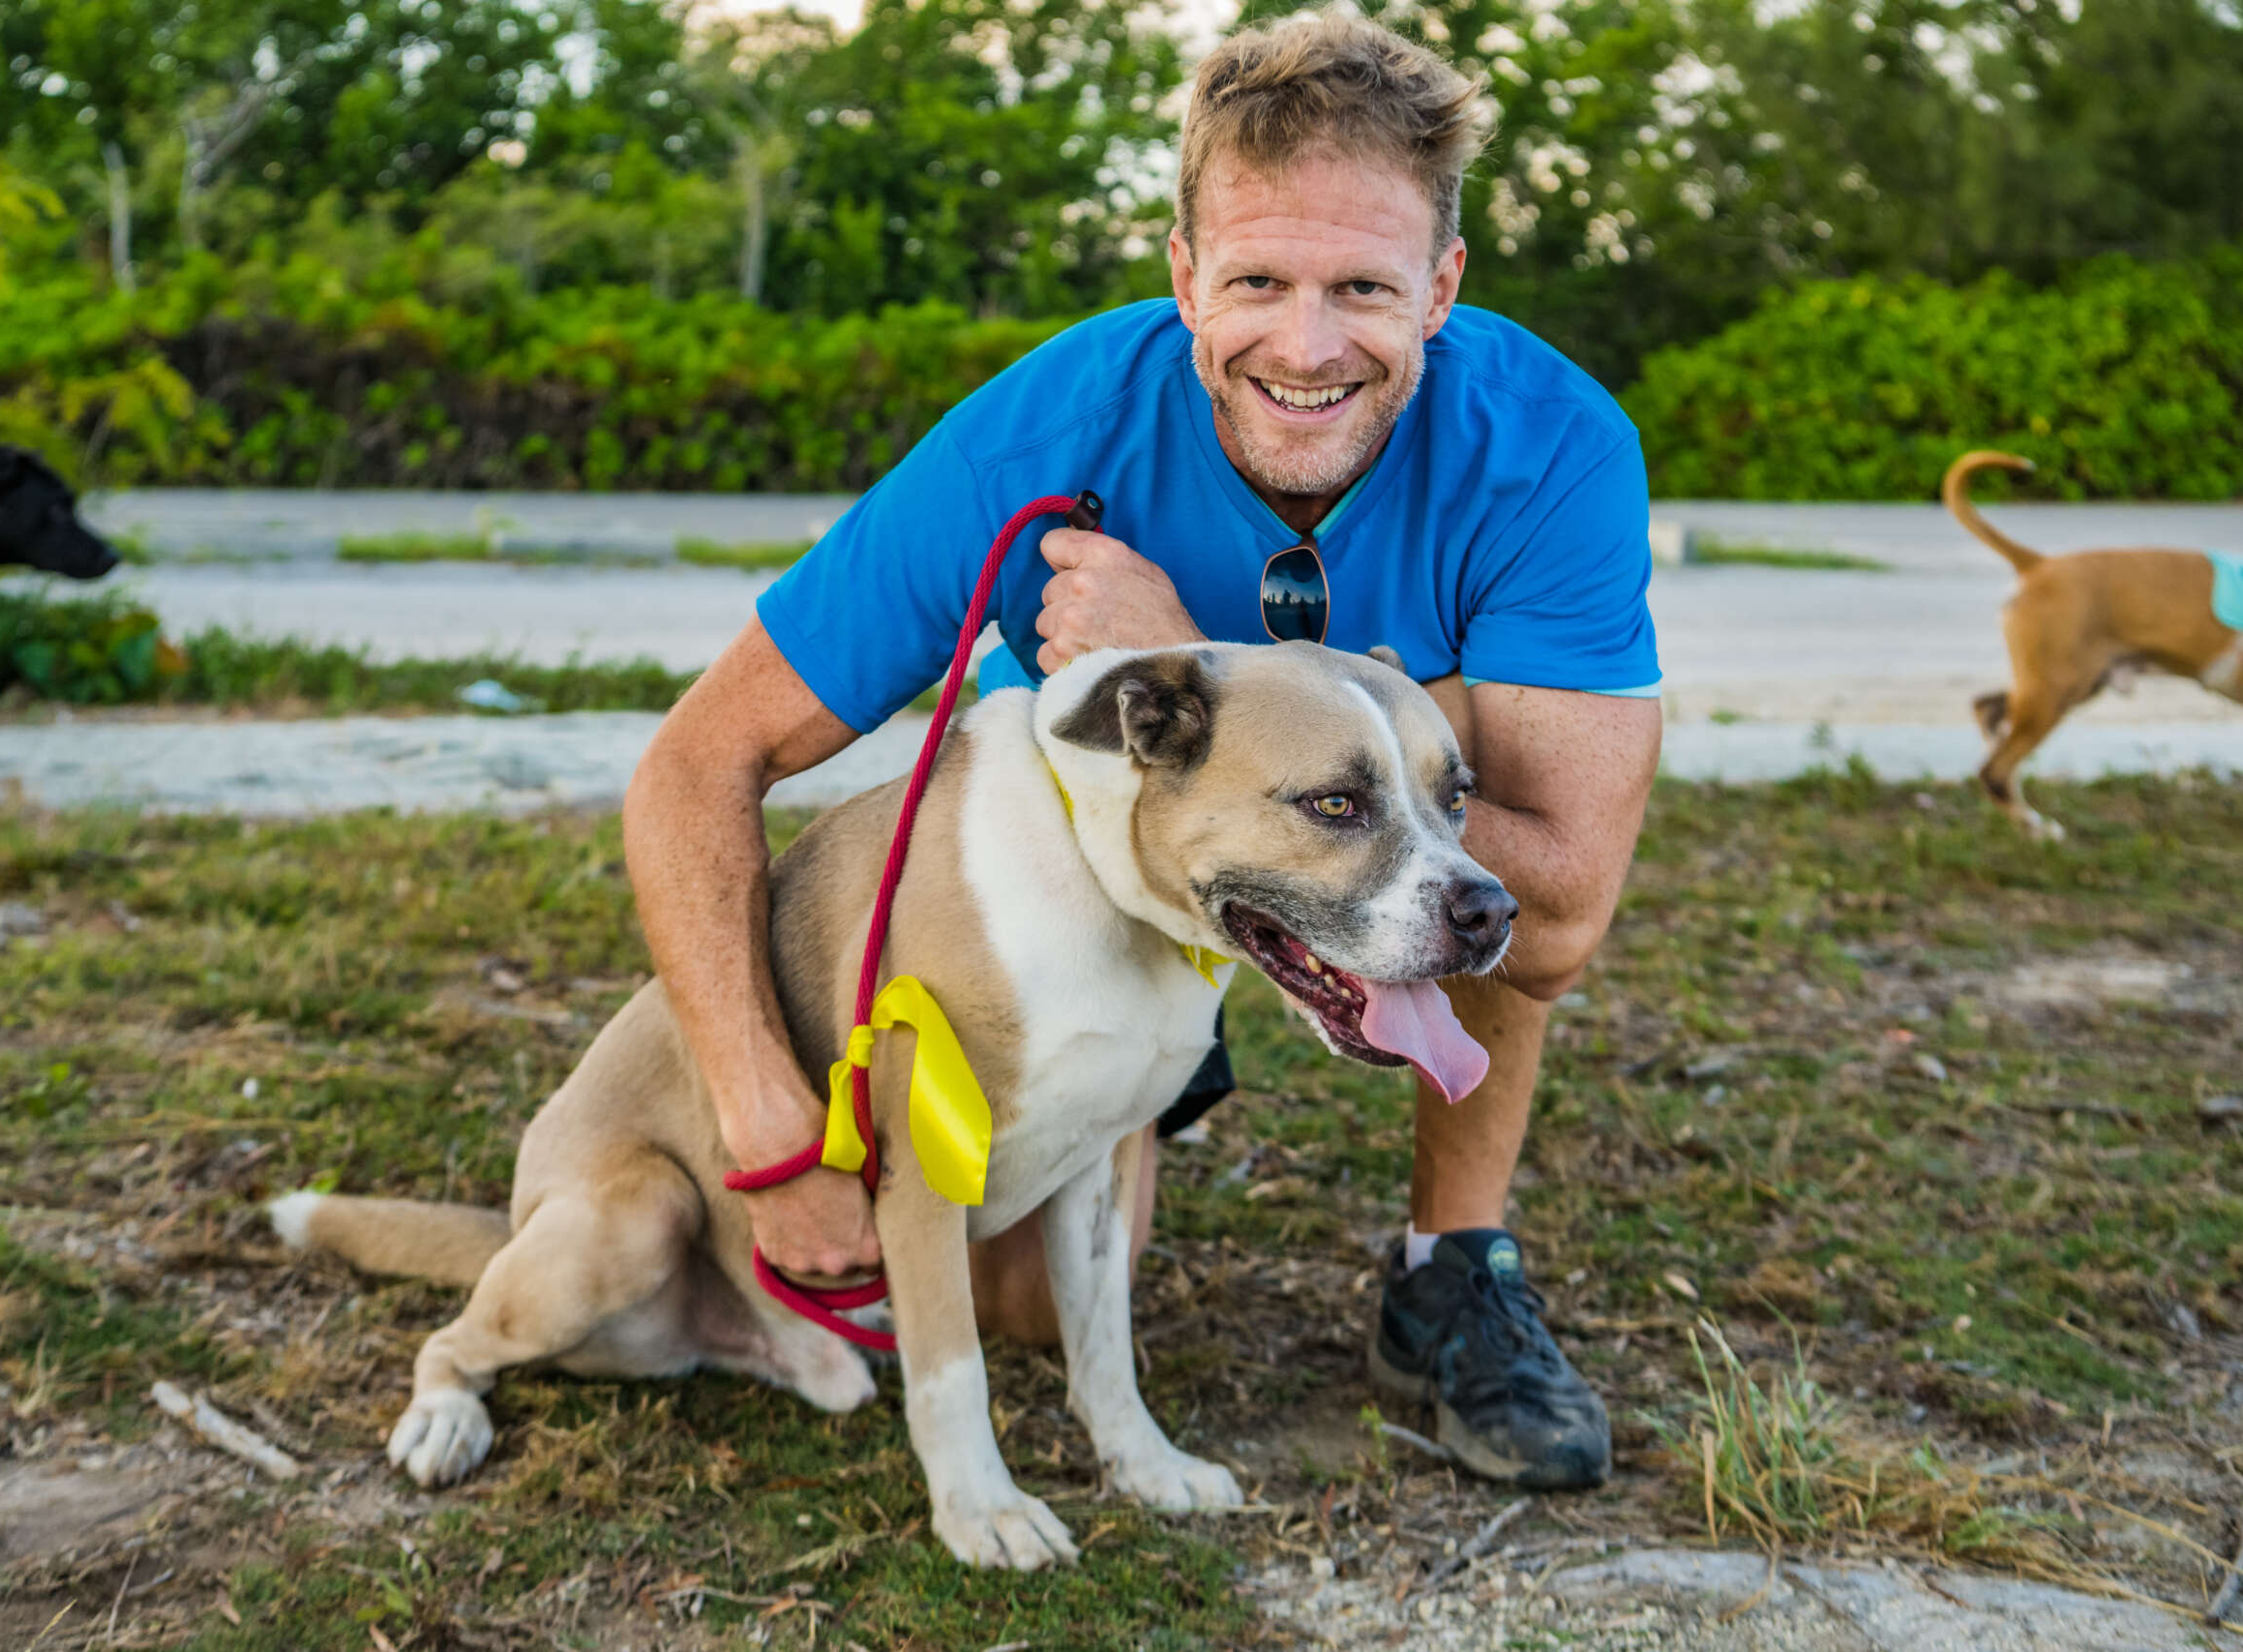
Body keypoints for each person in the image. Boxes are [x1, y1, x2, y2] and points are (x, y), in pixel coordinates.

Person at [624, 12, 1659, 1492]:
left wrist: (1194, 649)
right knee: (1026, 1310)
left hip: (1362, 855)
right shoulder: (1047, 426)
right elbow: (694, 766)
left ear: (1442, 287)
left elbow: (1550, 922)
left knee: (1450, 801)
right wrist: (768, 1123)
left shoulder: (1551, 446)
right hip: (1098, 910)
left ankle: (1454, 1271)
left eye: (1364, 287)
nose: (1306, 348)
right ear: (1184, 275)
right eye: (1256, 283)